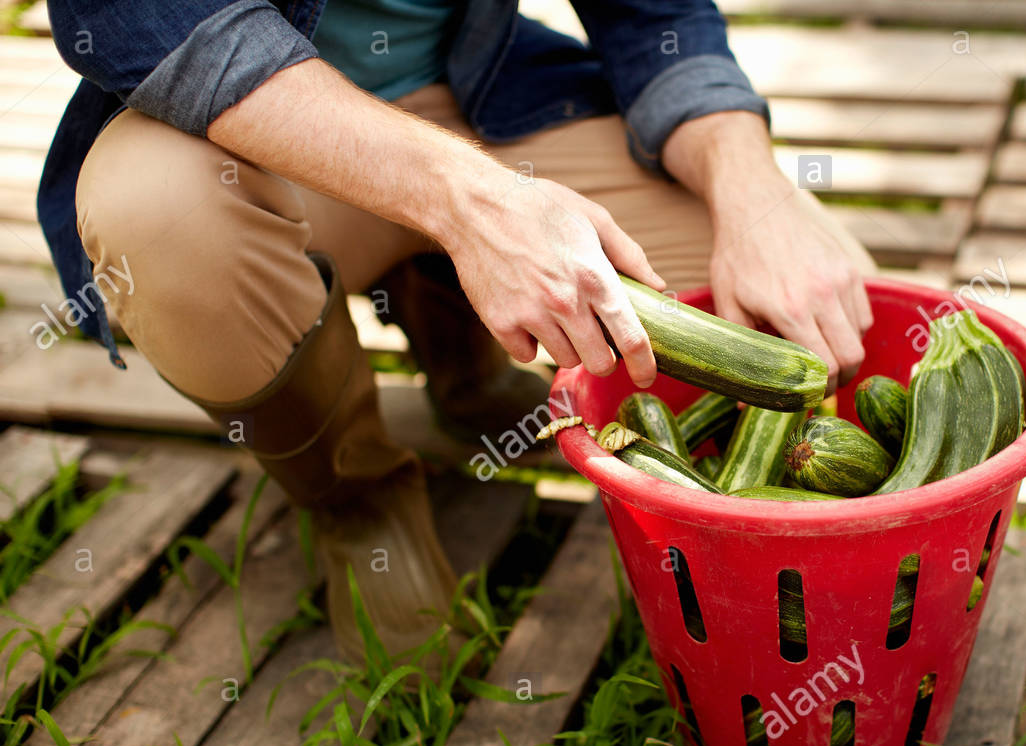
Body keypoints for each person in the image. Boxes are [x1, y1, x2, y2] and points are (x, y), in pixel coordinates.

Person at [37, 0, 875, 666]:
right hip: (257, 133)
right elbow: (159, 24)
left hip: (486, 101)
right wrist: (472, 205)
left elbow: (657, 17)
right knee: (163, 226)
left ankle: (464, 362)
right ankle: (357, 505)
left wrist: (752, 192)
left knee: (812, 290)